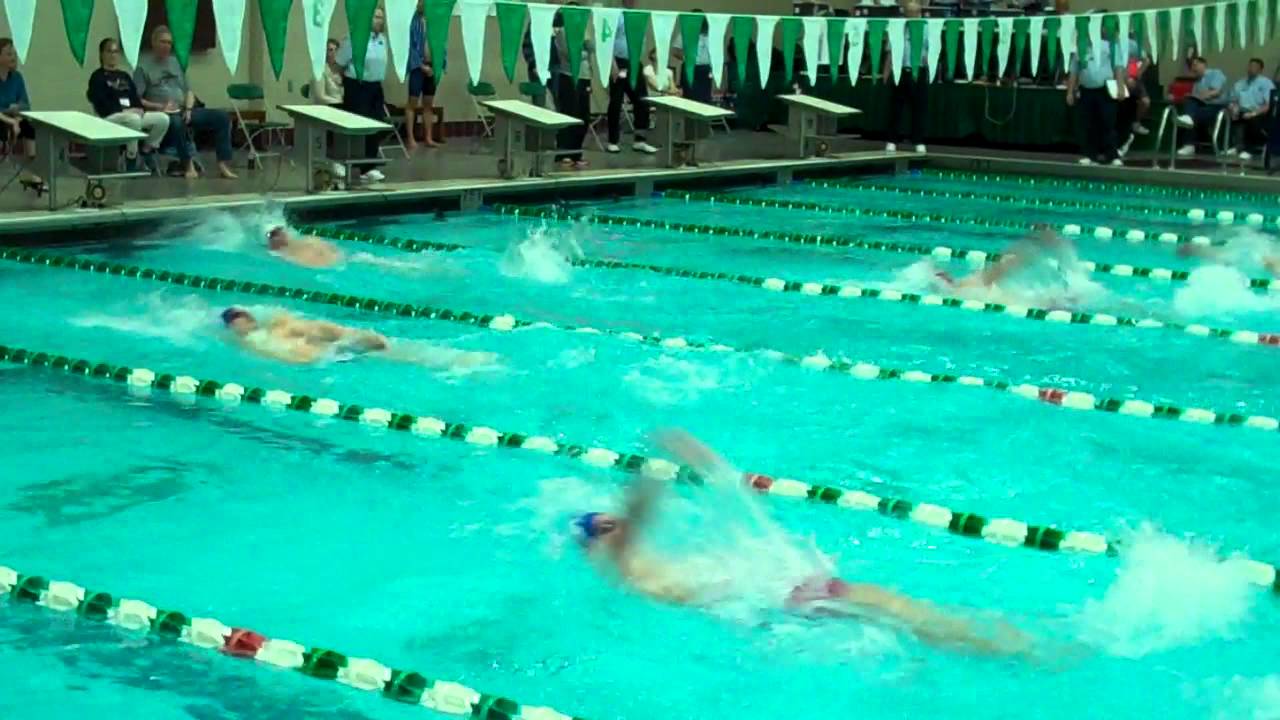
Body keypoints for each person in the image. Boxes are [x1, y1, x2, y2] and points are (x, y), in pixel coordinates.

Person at [573, 429, 1034, 658]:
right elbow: (635, 523)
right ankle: (1015, 649)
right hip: (782, 598)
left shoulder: (645, 564)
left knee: (905, 618)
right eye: (605, 524)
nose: (614, 522)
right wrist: (649, 481)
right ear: (599, 540)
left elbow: (734, 502)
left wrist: (699, 460)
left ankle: (1006, 646)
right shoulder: (625, 566)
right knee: (907, 617)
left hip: (778, 592)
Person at [221, 307, 497, 368]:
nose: (239, 325)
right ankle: (454, 362)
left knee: (386, 352)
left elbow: (319, 327)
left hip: (328, 354)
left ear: (249, 318)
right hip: (322, 359)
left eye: (239, 319)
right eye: (234, 323)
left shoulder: (279, 326)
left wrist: (346, 335)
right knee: (388, 357)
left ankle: (456, 361)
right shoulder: (245, 342)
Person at [134, 26, 237, 180]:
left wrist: (189, 109)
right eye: (163, 42)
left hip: (184, 109)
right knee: (177, 122)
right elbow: (137, 99)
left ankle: (223, 164)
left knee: (221, 117)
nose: (166, 46)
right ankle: (187, 164)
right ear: (154, 42)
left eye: (169, 43)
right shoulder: (143, 67)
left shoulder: (176, 63)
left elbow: (189, 91)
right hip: (163, 114)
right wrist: (160, 107)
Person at [87, 37, 170, 173]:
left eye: (116, 52)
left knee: (163, 119)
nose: (113, 55)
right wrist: (125, 111)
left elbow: (135, 97)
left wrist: (139, 109)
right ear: (102, 54)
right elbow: (101, 104)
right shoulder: (97, 77)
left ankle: (146, 150)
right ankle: (131, 157)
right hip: (110, 117)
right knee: (134, 119)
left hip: (132, 116)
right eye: (110, 51)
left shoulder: (124, 76)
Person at [336, 7, 390, 183]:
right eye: (376, 17)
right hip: (357, 86)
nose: (379, 21)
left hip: (375, 87)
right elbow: (339, 62)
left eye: (381, 17)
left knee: (375, 124)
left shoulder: (382, 39)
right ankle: (348, 162)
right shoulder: (354, 38)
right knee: (358, 124)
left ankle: (369, 166)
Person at [1065, 25, 1126, 166]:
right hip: (1086, 90)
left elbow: (1118, 67)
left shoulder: (1110, 46)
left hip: (1105, 89)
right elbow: (1074, 71)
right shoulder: (1079, 49)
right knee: (1088, 124)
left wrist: (1120, 87)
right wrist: (1069, 92)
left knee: (1108, 123)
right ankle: (1089, 155)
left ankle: (1112, 155)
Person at [607, 0, 657, 155]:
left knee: (642, 101)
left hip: (635, 62)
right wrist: (612, 65)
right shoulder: (616, 15)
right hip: (618, 61)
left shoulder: (638, 16)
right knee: (616, 102)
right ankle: (613, 141)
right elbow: (608, 41)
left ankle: (640, 140)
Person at [266, 225, 432, 271]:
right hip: (348, 260)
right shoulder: (309, 239)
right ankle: (417, 267)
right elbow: (335, 248)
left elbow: (306, 265)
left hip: (338, 266)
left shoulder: (284, 254)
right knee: (387, 264)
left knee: (386, 266)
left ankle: (414, 268)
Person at [884, 0, 928, 154]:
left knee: (918, 109)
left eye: (916, 13)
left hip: (919, 71)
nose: (913, 15)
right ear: (905, 13)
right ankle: (891, 140)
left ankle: (918, 141)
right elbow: (890, 53)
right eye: (910, 13)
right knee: (896, 108)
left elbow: (932, 53)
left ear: (919, 13)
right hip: (900, 71)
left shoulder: (926, 29)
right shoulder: (897, 29)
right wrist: (886, 73)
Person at [0, 37, 44, 191]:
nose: (13, 57)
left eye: (13, 54)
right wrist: (11, 119)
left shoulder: (17, 78)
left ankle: (30, 171)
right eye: (8, 54)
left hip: (15, 119)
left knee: (30, 128)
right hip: (3, 119)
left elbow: (25, 105)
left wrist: (17, 118)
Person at [551, 8, 592, 170]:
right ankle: (563, 154)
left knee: (584, 117)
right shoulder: (562, 32)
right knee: (570, 114)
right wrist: (583, 48)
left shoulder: (583, 30)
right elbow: (569, 53)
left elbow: (592, 47)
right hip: (568, 75)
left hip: (585, 76)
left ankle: (577, 153)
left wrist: (584, 44)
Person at [1171, 56, 1229, 157]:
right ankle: (1189, 143)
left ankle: (1189, 144)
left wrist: (1196, 96)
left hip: (1216, 107)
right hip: (1201, 108)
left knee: (1190, 114)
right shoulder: (1197, 82)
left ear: (1204, 65)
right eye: (1192, 66)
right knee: (1190, 111)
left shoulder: (1215, 73)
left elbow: (1215, 92)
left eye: (1195, 65)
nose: (1193, 68)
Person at [405, 0, 441, 151]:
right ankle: (410, 138)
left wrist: (439, 65)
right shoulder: (412, 21)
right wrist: (421, 66)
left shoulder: (436, 22)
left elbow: (441, 44)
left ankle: (428, 137)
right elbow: (410, 46)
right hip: (417, 67)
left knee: (428, 104)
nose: (423, 4)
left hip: (432, 67)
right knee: (412, 103)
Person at [1226, 58, 1274, 162]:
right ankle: (1236, 146)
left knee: (1251, 119)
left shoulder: (1266, 83)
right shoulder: (1240, 83)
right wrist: (1232, 107)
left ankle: (1249, 150)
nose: (1251, 69)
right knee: (1229, 114)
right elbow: (1232, 100)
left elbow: (1269, 104)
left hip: (1260, 113)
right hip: (1242, 111)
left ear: (1260, 70)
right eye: (1250, 66)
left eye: (1254, 67)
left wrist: (1254, 113)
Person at [312, 39, 345, 106]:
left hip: (342, 109)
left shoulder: (343, 69)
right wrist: (341, 103)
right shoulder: (320, 70)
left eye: (336, 50)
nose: (334, 53)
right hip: (325, 108)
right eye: (330, 50)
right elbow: (319, 97)